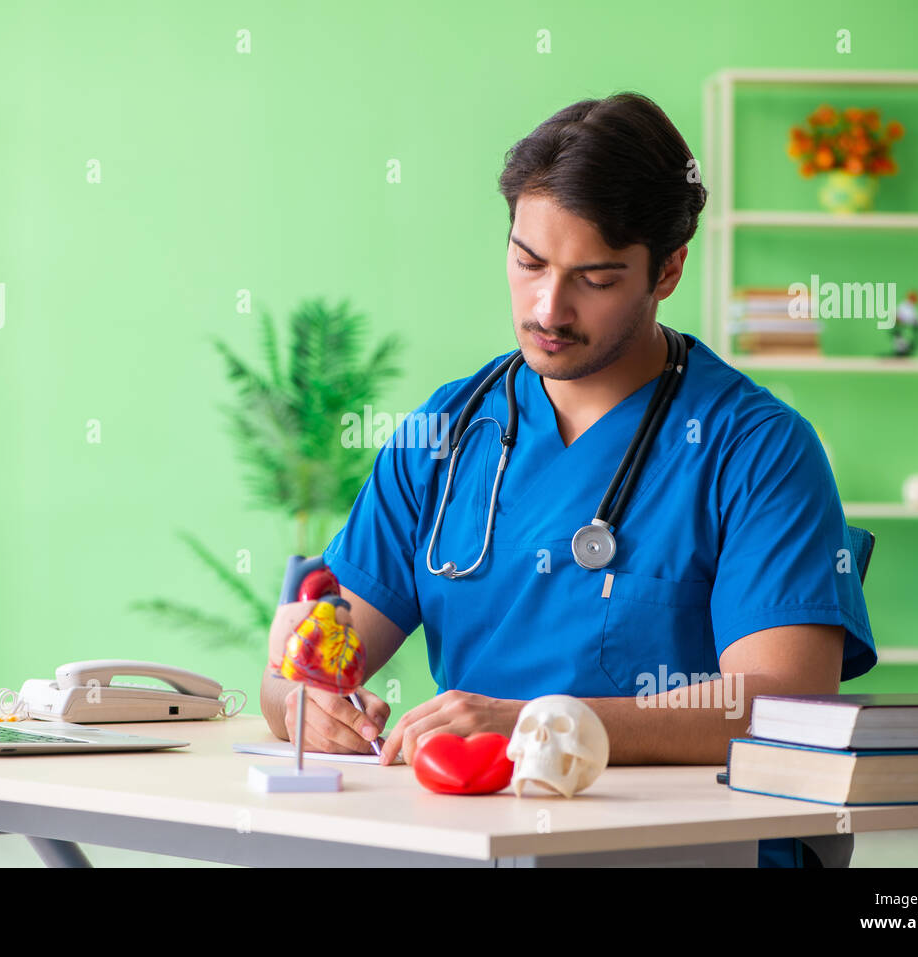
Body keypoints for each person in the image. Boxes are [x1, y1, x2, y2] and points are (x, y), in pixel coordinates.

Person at [260, 91, 875, 868]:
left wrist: (540, 723)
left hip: (694, 851)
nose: (549, 307)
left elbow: (781, 703)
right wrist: (306, 707)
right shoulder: (442, 435)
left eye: (596, 277)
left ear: (668, 271)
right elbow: (307, 669)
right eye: (528, 262)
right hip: (479, 841)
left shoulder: (757, 449)